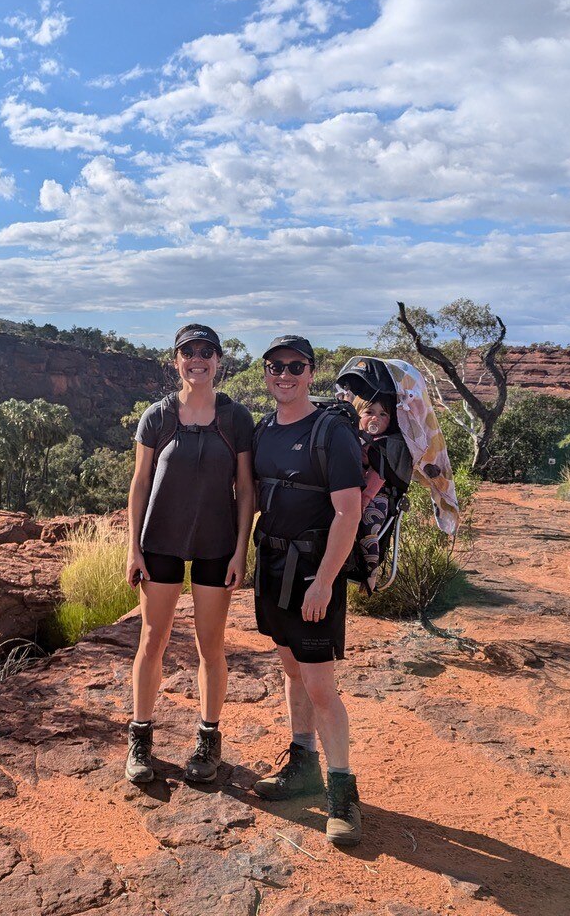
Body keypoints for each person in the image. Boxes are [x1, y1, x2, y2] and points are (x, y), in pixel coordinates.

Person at [124, 324, 255, 785]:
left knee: (210, 646)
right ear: (176, 360)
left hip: (216, 545)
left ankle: (208, 738)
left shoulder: (236, 419)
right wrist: (133, 547)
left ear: (218, 360)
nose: (197, 359)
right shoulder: (157, 417)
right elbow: (140, 483)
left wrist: (240, 551)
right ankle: (140, 738)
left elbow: (246, 489)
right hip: (160, 541)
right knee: (152, 640)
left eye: (206, 352)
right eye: (188, 352)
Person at [248, 335, 365, 847]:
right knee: (292, 670)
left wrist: (324, 582)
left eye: (295, 366)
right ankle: (303, 766)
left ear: (311, 372)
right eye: (275, 366)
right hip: (272, 568)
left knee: (320, 686)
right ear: (265, 372)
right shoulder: (264, 430)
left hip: (314, 572)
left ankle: (343, 794)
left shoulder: (330, 432)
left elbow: (348, 512)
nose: (285, 375)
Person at [353, 392, 412, 589]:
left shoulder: (385, 446)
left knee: (370, 524)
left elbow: (376, 477)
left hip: (376, 495)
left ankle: (371, 571)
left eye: (383, 414)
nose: (375, 419)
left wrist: (363, 502)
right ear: (357, 414)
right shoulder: (351, 439)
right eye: (369, 412)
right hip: (349, 490)